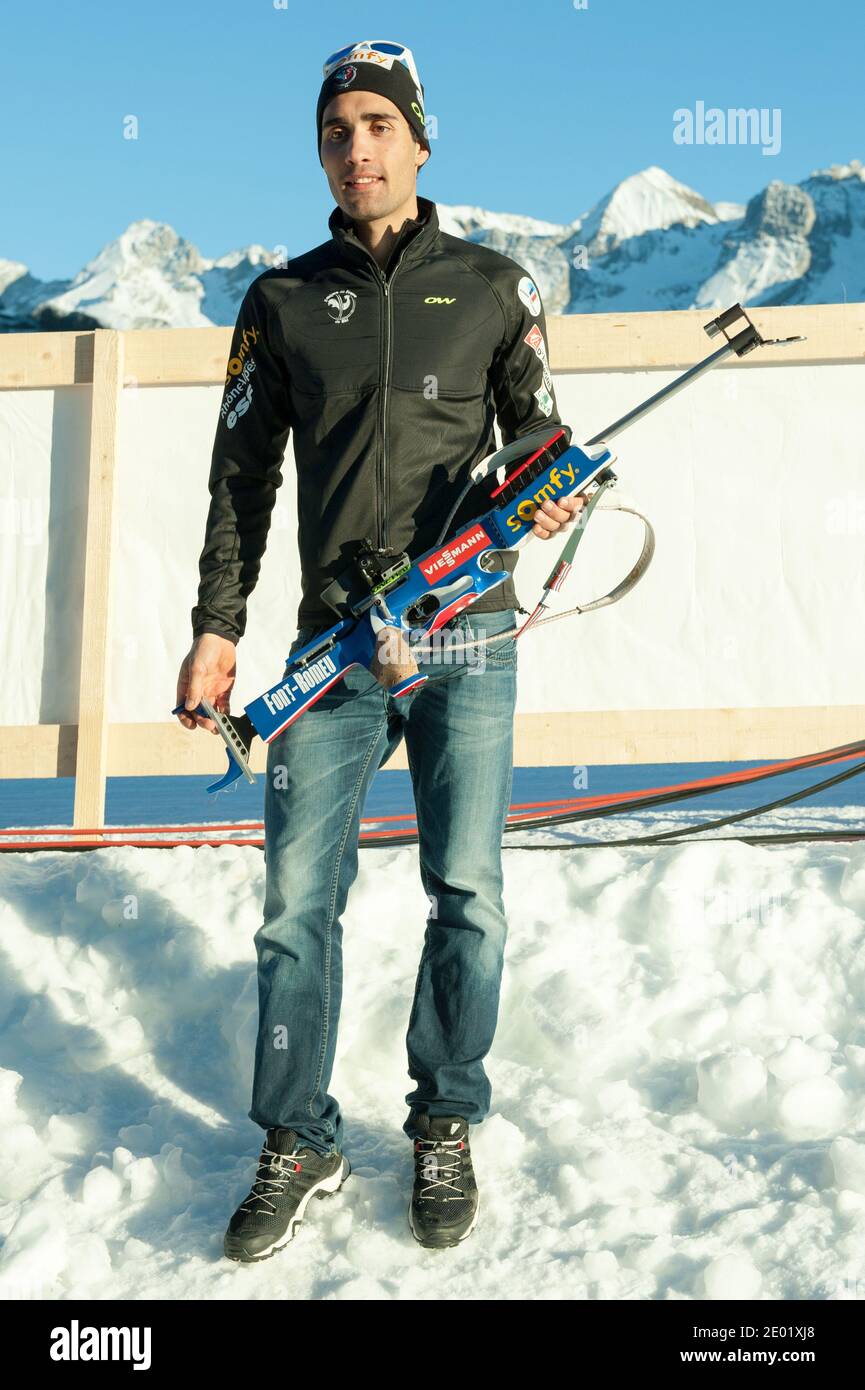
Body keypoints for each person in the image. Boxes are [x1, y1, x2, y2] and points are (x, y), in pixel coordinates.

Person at [175, 38, 587, 1259]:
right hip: (332, 652)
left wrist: (551, 492)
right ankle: (297, 1134)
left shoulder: (501, 287)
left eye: (376, 125)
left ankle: (445, 1116)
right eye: (335, 129)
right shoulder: (282, 301)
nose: (355, 148)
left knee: (468, 894)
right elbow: (240, 480)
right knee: (296, 906)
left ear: (419, 139)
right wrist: (214, 628)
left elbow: (540, 442)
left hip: (466, 637)